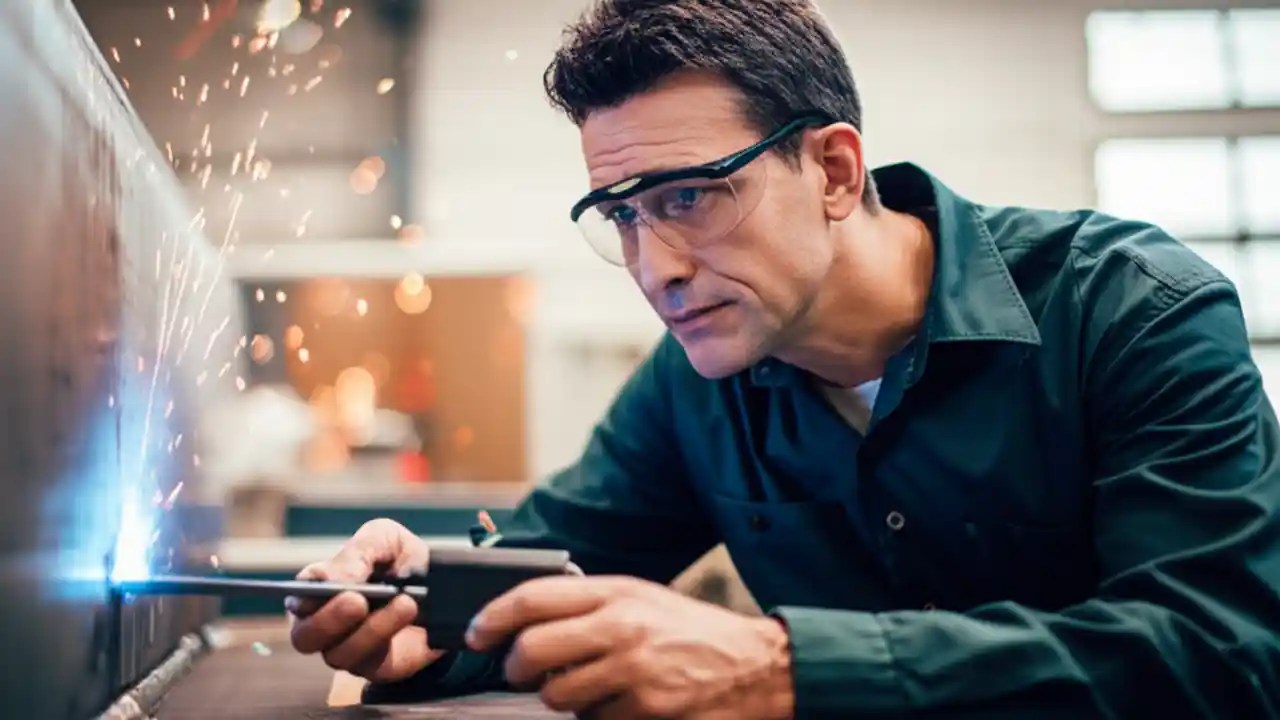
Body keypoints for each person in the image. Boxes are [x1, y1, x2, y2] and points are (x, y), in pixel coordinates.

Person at [287, 1, 1280, 717]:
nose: (654, 269)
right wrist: (414, 609)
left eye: (687, 196)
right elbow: (556, 564)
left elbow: (1220, 656)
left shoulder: (1129, 311)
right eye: (621, 217)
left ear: (835, 170)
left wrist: (783, 667)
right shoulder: (695, 383)